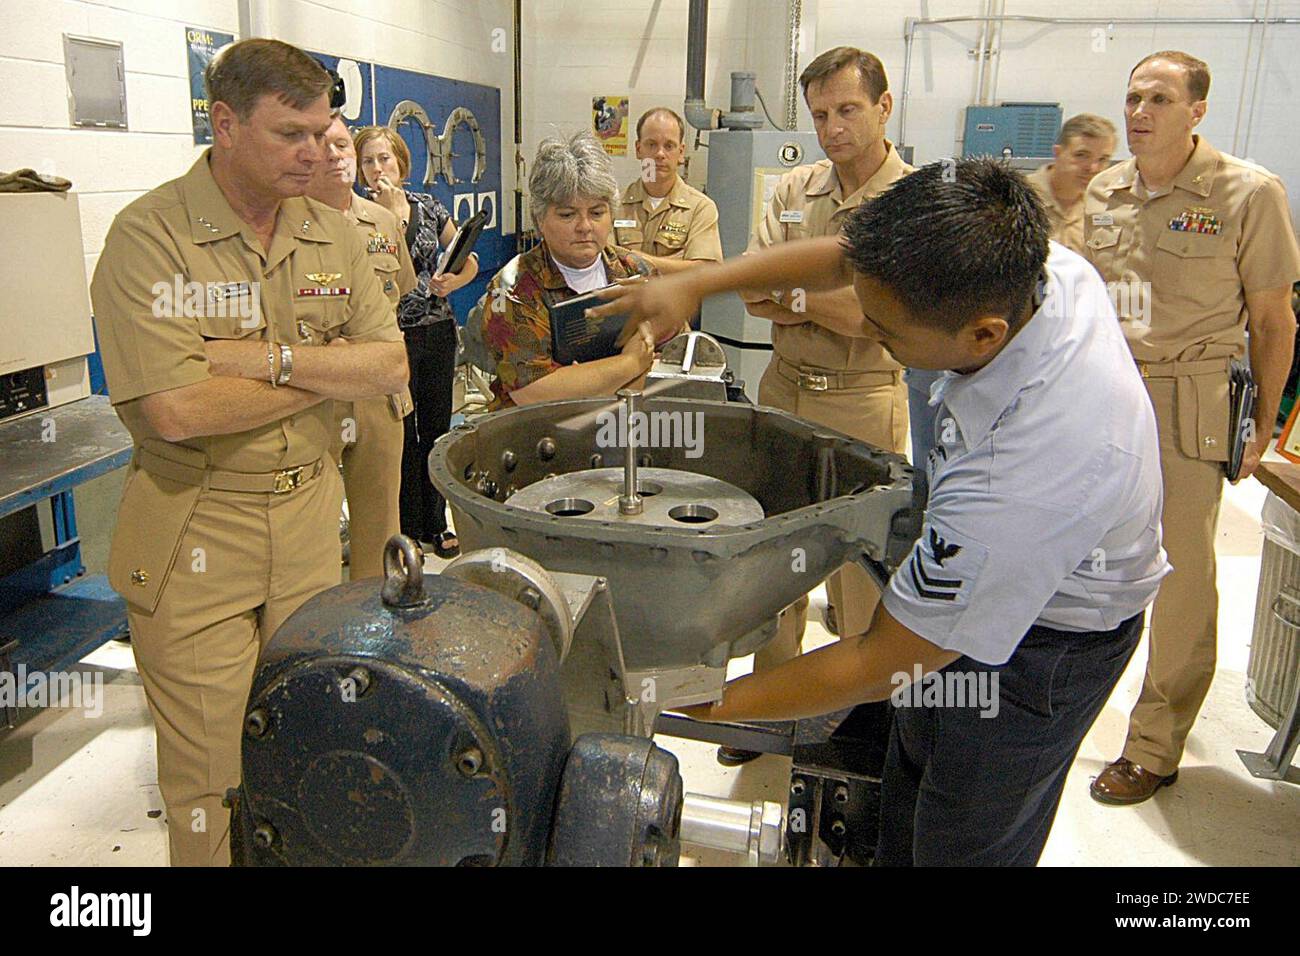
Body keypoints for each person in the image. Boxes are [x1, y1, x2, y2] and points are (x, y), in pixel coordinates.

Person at [590, 158, 1170, 866]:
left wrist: (699, 704)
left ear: (983, 335)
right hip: (981, 577)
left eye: (886, 332)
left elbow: (879, 658)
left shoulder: (1029, 471)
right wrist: (696, 282)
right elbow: (847, 256)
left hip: (1046, 644)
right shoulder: (1024, 268)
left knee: (962, 837)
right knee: (908, 778)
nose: (867, 327)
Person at [89, 38, 407, 866]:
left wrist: (266, 359)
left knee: (305, 746)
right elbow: (179, 410)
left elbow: (390, 362)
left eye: (323, 130)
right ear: (224, 124)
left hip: (308, 523)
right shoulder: (149, 238)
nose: (314, 152)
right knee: (210, 777)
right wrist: (327, 374)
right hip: (200, 526)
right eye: (290, 134)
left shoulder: (330, 232)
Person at [1084, 51, 1300, 805]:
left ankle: (1153, 744)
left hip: (1190, 400)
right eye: (1133, 97)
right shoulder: (1106, 188)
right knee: (1078, 558)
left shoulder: (1248, 192)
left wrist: (1263, 422)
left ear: (1197, 110)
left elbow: (1275, 320)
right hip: (1104, 395)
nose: (1140, 112)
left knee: (1178, 577)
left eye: (1160, 98)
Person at [725, 45, 914, 765]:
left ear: (884, 106)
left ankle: (860, 728)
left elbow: (879, 320)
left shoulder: (912, 203)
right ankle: (768, 714)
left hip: (865, 402)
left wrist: (793, 298)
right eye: (820, 114)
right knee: (775, 564)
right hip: (785, 394)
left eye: (848, 110)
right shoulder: (794, 189)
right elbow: (749, 289)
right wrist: (821, 301)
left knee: (861, 574)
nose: (832, 127)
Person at [354, 125, 479, 558]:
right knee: (401, 436)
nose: (377, 168)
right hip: (391, 338)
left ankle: (436, 520)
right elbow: (395, 264)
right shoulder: (358, 216)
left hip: (436, 330)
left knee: (436, 428)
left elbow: (469, 258)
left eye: (384, 159)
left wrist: (453, 281)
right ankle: (407, 526)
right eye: (368, 161)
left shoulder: (428, 205)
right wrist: (392, 214)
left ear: (401, 163)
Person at [307, 113, 418, 578]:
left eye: (342, 147)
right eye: (324, 147)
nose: (336, 157)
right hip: (315, 396)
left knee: (379, 524)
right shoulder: (288, 226)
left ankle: (374, 626)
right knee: (309, 529)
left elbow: (405, 291)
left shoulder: (382, 222)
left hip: (377, 396)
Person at [472, 130, 657, 410]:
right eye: (567, 215)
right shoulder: (514, 290)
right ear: (539, 219)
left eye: (596, 213)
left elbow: (674, 354)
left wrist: (580, 379)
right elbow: (534, 392)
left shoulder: (636, 272)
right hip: (540, 439)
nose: (584, 226)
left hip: (626, 428)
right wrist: (630, 363)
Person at [611, 107, 722, 276]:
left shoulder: (700, 208)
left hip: (676, 302)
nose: (660, 154)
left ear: (681, 152)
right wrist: (680, 263)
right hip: (625, 302)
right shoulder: (614, 204)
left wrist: (633, 258)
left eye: (669, 145)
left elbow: (705, 271)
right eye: (651, 144)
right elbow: (606, 261)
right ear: (639, 149)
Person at [1025, 113, 1117, 254]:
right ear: (1058, 152)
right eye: (1081, 155)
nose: (1093, 168)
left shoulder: (1105, 205)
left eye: (1103, 159)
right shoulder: (1019, 196)